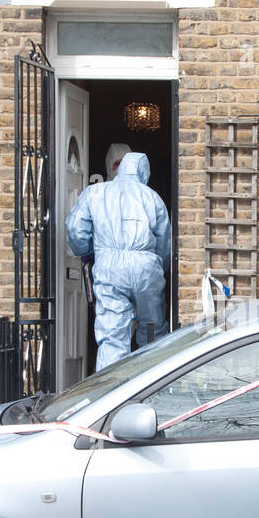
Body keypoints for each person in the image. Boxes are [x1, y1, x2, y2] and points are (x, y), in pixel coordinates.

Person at [67, 151, 171, 369]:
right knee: (152, 329)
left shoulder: (95, 192)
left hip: (109, 267)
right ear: (144, 172)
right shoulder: (152, 197)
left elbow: (76, 229)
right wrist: (161, 268)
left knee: (112, 335)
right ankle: (151, 382)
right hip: (146, 268)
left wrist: (86, 252)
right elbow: (164, 244)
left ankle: (111, 394)